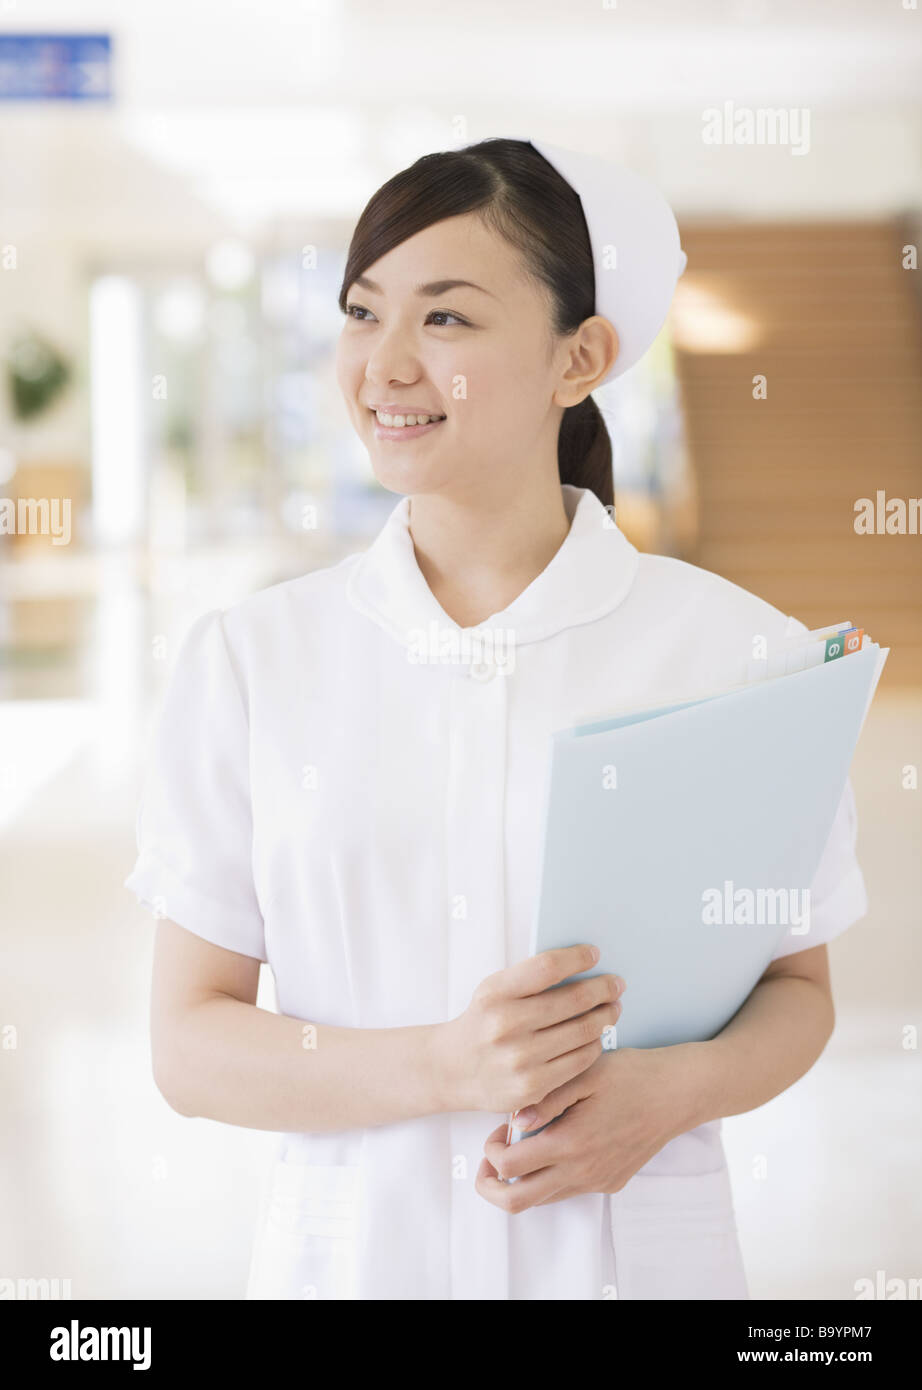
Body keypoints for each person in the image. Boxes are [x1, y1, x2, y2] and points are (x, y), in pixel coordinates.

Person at [125, 137, 867, 1300]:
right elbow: (189, 1044)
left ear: (581, 358)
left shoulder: (736, 654)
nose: (384, 365)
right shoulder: (253, 661)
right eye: (362, 314)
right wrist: (439, 1066)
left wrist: (668, 1093)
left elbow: (799, 993)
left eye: (448, 320)